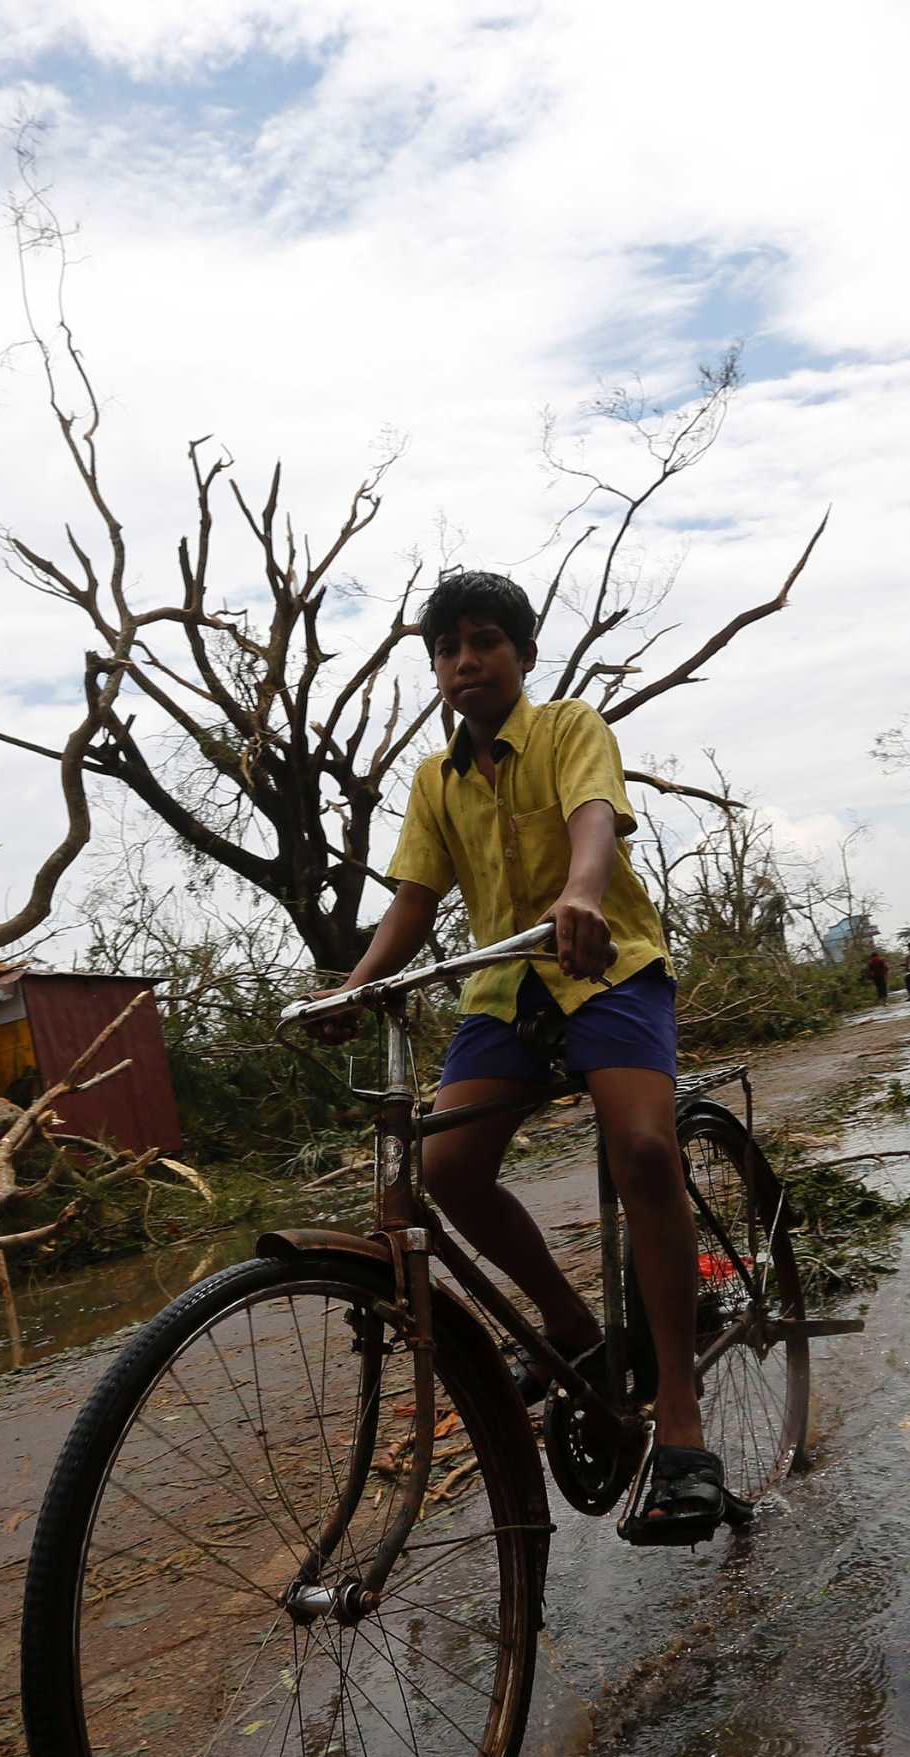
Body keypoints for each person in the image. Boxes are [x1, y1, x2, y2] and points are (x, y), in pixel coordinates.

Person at [316, 569, 731, 1544]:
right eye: (447, 650)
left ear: (522, 654)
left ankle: (679, 1415)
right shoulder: (434, 781)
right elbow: (415, 901)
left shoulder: (568, 728)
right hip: (503, 992)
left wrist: (581, 894)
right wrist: (357, 982)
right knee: (446, 1171)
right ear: (436, 671)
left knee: (643, 1152)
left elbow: (594, 820)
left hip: (606, 969)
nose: (465, 662)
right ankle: (575, 1333)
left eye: (484, 641)